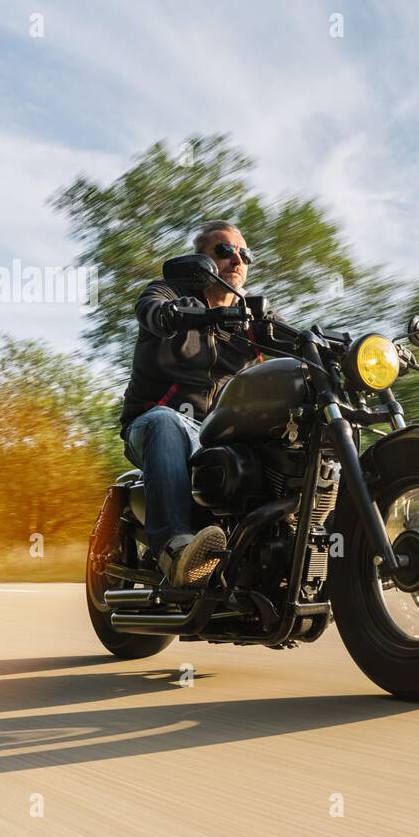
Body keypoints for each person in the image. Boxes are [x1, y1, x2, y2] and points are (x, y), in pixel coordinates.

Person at [118, 220, 266, 586]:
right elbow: (150, 309)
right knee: (164, 421)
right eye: (225, 251)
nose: (237, 260)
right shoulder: (169, 293)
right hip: (154, 425)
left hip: (218, 435)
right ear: (199, 263)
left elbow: (296, 344)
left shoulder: (253, 318)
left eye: (244, 253)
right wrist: (172, 314)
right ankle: (174, 548)